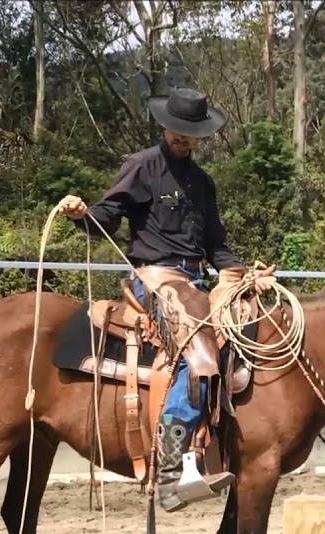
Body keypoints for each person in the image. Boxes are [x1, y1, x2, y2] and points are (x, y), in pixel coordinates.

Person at [57, 86, 262, 512]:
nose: (182, 138)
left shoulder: (203, 183)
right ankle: (170, 471)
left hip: (195, 281)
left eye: (190, 133)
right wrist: (83, 215)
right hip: (152, 278)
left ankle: (212, 448)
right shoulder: (142, 167)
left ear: (200, 135)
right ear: (165, 126)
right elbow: (107, 218)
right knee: (197, 350)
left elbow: (216, 246)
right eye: (176, 130)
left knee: (236, 331)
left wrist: (244, 271)